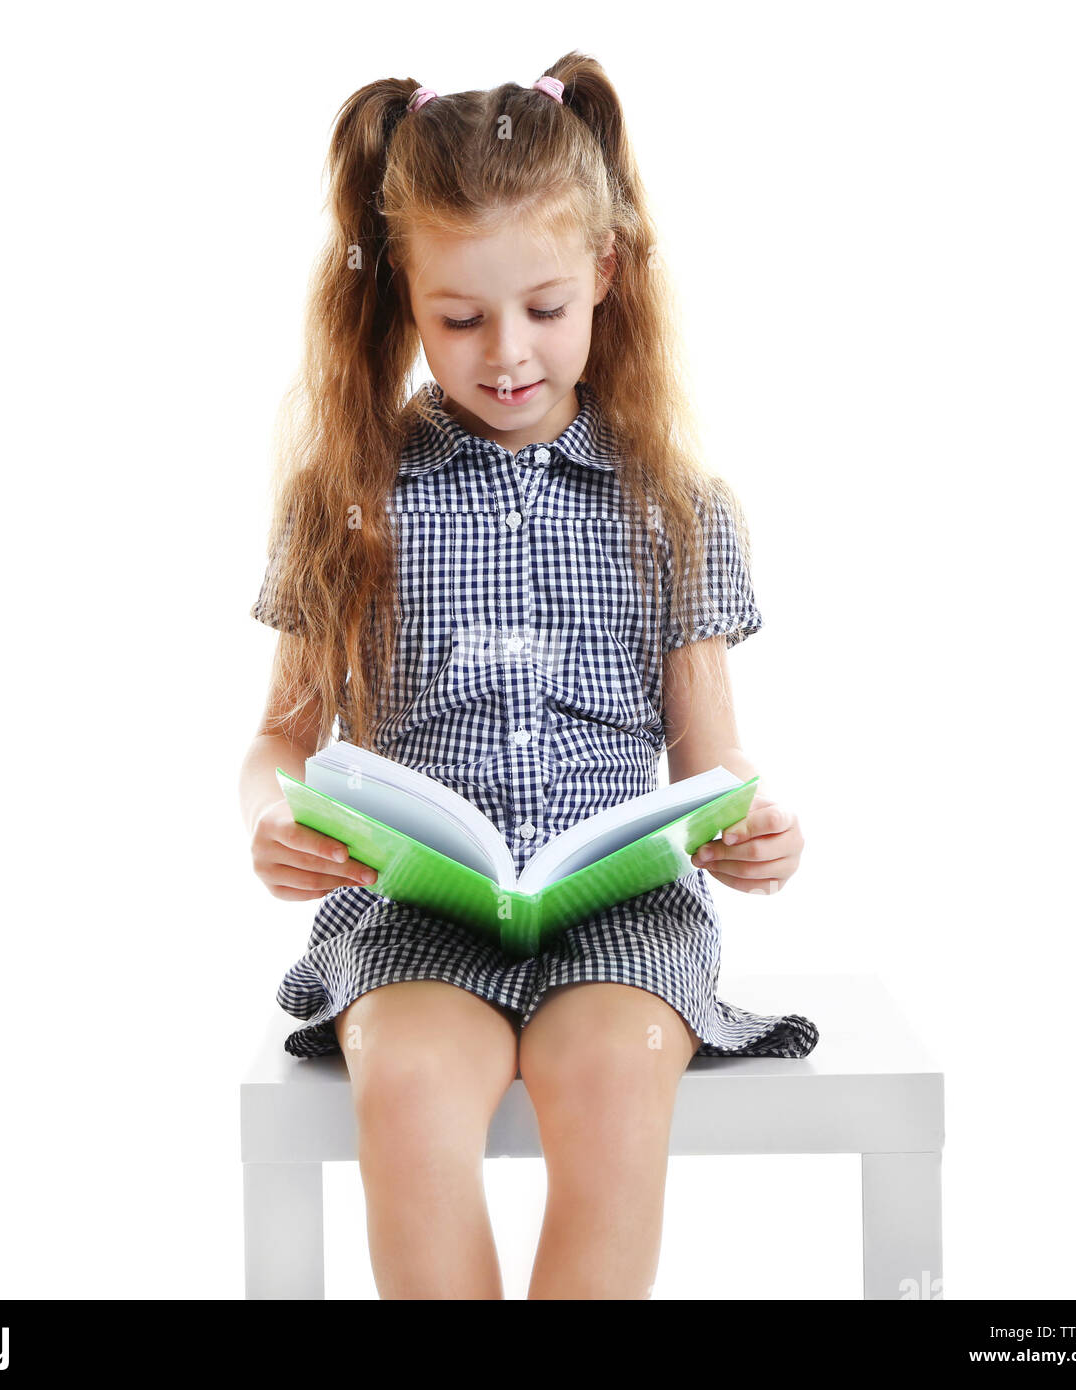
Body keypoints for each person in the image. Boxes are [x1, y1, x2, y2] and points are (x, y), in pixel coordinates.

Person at [238, 53, 819, 1300]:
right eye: (460, 318)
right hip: (415, 913)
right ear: (405, 295)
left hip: (620, 913)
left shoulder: (676, 507)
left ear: (605, 273)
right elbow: (276, 743)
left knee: (612, 1079)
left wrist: (753, 825)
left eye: (545, 308)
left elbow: (712, 758)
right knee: (406, 1083)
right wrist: (271, 820)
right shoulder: (351, 500)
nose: (506, 353)